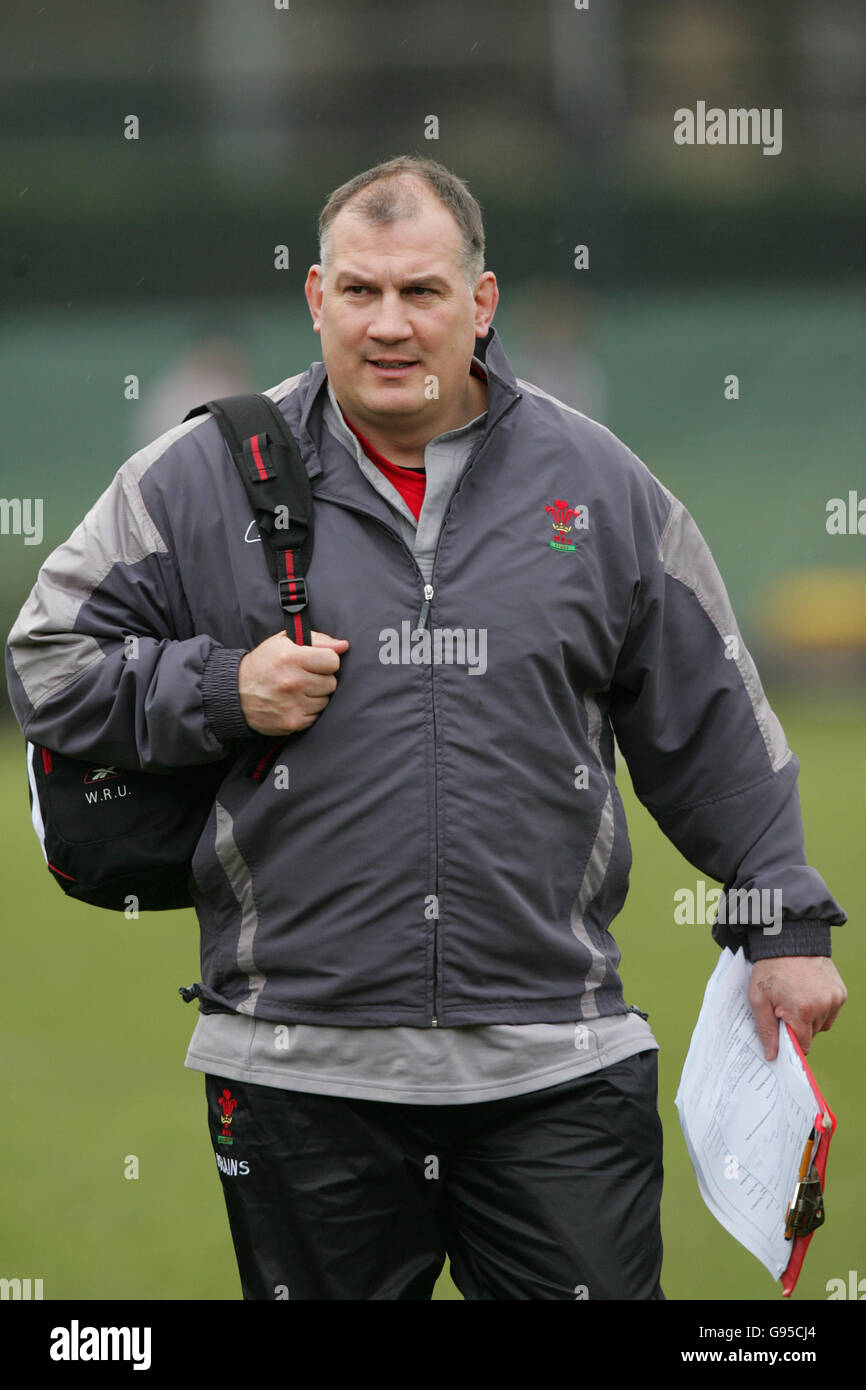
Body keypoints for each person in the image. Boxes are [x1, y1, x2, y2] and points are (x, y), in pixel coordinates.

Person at [6, 155, 848, 1301]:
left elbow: (712, 726)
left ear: (480, 302)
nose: (389, 323)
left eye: (421, 291)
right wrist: (220, 690)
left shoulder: (598, 484)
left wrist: (782, 919)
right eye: (360, 291)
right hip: (298, 1063)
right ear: (316, 298)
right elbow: (47, 659)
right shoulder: (201, 476)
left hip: (556, 1057)